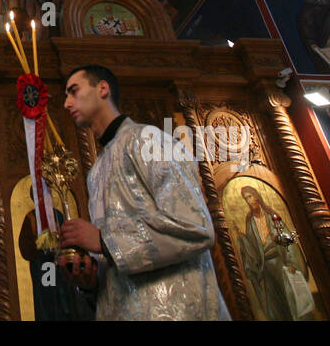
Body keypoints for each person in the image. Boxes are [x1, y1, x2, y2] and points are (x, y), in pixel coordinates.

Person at [58, 64, 230, 319]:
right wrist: (91, 280)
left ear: (102, 88)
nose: (66, 103)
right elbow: (115, 259)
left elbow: (195, 225)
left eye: (74, 91)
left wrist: (104, 240)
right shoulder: (97, 170)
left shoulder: (147, 139)